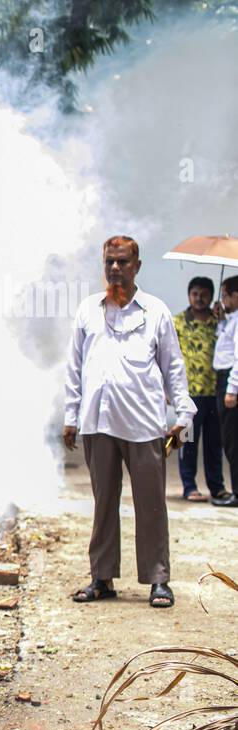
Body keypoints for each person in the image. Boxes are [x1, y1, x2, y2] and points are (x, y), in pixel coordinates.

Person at [63, 236, 195, 609]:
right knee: (104, 502)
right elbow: (74, 368)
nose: (115, 269)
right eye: (109, 262)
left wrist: (183, 417)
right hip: (98, 421)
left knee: (150, 503)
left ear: (137, 266)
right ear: (103, 265)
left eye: (122, 262)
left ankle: (158, 580)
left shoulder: (156, 311)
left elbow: (173, 367)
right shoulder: (89, 310)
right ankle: (102, 578)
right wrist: (71, 417)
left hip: (144, 422)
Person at [172, 276, 227, 502]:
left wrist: (224, 317)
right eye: (195, 293)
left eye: (204, 294)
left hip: (214, 392)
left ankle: (217, 487)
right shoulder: (177, 322)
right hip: (188, 395)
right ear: (188, 295)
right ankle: (189, 486)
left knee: (214, 444)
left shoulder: (219, 323)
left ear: (211, 296)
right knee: (188, 441)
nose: (199, 298)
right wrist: (168, 389)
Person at [211, 275, 238, 507]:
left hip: (230, 380)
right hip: (224, 379)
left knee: (232, 441)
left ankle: (237, 492)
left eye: (225, 296)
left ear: (235, 296)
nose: (223, 300)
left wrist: (232, 389)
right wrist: (221, 317)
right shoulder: (231, 319)